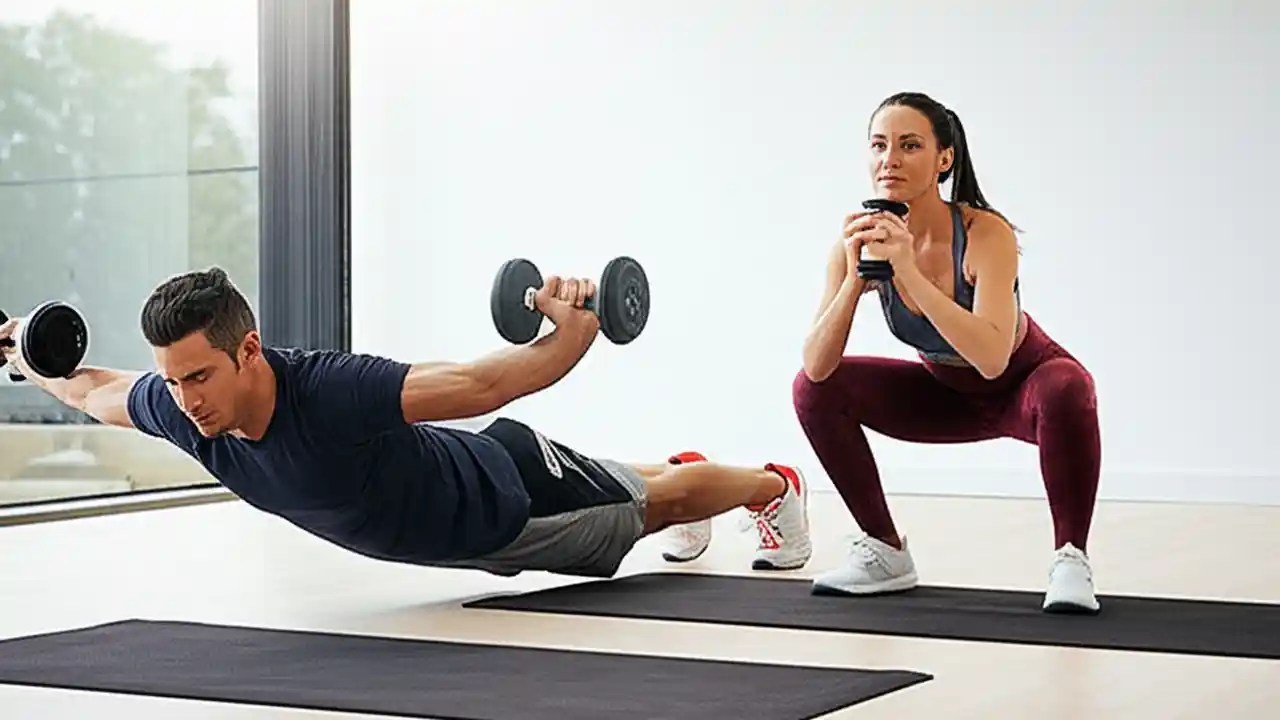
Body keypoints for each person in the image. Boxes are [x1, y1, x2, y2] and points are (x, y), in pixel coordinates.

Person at [0, 267, 811, 578]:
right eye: (174, 381)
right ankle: (680, 468)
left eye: (199, 376)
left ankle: (770, 488)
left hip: (507, 503)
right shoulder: (188, 415)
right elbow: (94, 390)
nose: (185, 398)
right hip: (470, 512)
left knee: (649, 507)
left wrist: (574, 336)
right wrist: (23, 357)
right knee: (637, 484)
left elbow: (475, 384)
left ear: (249, 349)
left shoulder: (327, 390)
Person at [792, 91, 1101, 613]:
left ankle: (1071, 558)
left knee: (1069, 386)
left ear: (944, 159)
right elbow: (817, 366)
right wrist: (853, 279)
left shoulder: (985, 233)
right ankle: (885, 550)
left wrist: (908, 269)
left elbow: (991, 358)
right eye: (879, 145)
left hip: (1023, 386)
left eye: (910, 145)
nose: (890, 159)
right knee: (811, 390)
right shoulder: (861, 239)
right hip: (945, 391)